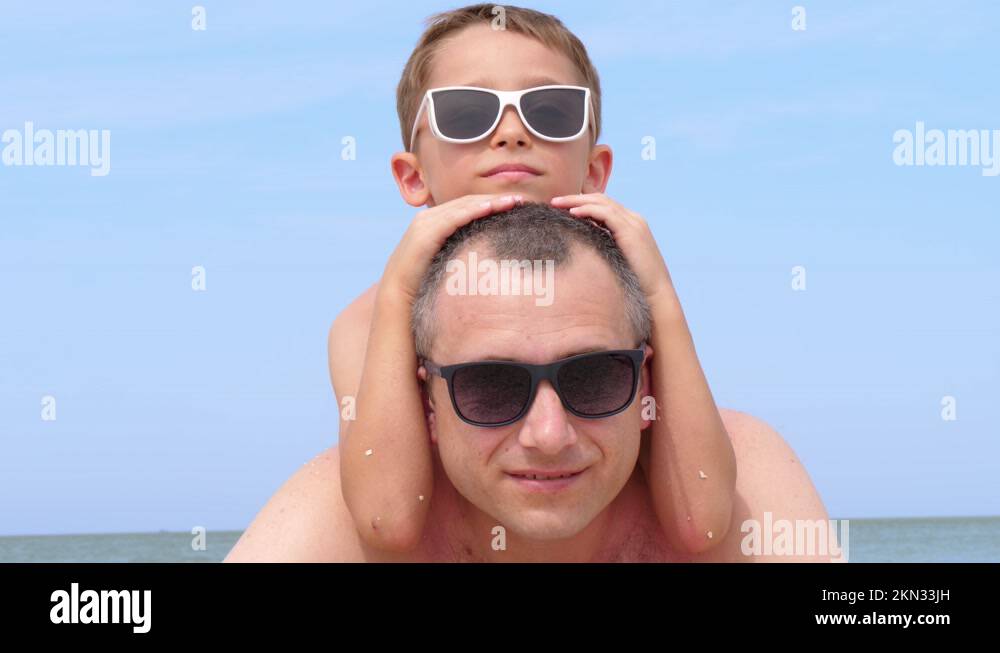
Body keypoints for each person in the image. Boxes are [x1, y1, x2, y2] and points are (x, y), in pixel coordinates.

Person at [326, 3, 737, 556]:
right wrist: (401, 288)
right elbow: (387, 520)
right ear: (412, 176)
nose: (513, 133)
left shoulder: (625, 303)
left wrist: (660, 296)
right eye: (467, 113)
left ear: (595, 170)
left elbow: (702, 522)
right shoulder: (367, 321)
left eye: (550, 111)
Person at [224, 204, 836, 562]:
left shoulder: (747, 484)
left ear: (648, 383)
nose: (549, 434)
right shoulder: (331, 520)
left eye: (595, 377)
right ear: (426, 404)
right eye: (489, 386)